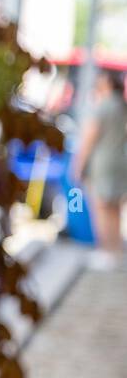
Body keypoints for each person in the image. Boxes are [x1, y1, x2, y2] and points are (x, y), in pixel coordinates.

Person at [71, 67, 127, 270]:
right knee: (115, 209)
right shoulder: (122, 106)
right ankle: (117, 251)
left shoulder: (102, 107)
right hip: (120, 161)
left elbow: (88, 139)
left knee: (101, 209)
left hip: (101, 164)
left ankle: (106, 251)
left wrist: (77, 166)